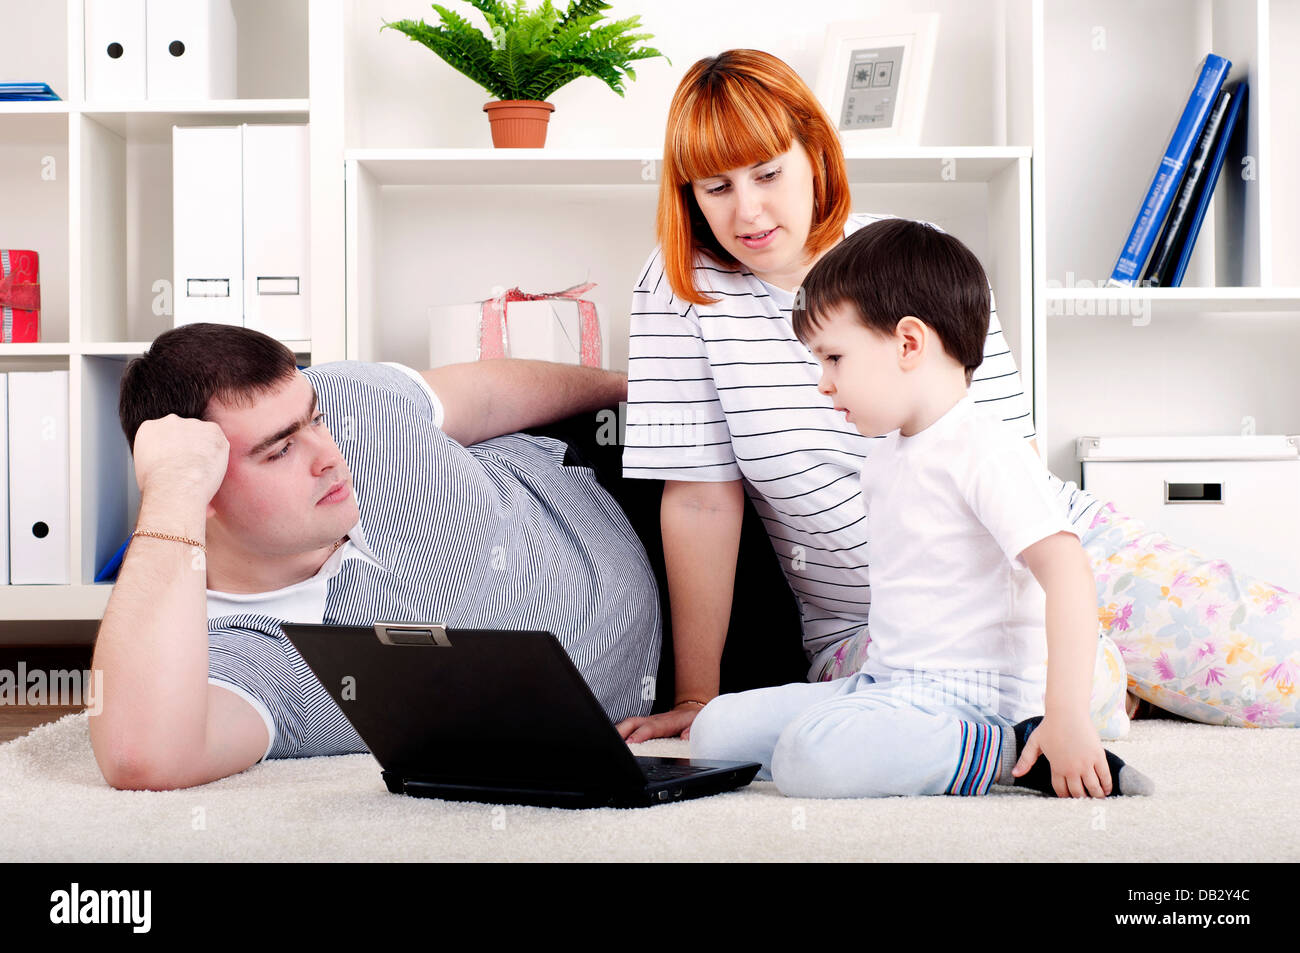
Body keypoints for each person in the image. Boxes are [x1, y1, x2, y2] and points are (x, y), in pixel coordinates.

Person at [616, 48, 1300, 744]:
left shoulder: (915, 258)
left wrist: (1040, 617)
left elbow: (1007, 459)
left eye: (767, 173)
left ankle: (1125, 677)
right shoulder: (679, 290)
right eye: (716, 187)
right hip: (879, 632)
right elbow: (702, 498)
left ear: (813, 155)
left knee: (1275, 664)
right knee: (1047, 705)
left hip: (1042, 553)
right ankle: (1117, 686)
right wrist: (697, 695)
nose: (748, 210)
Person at [91, 322, 666, 791]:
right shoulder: (244, 657)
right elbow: (141, 758)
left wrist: (633, 386)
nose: (328, 454)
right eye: (282, 449)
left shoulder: (342, 404)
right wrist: (169, 495)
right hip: (677, 681)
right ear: (202, 487)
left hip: (624, 476)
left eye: (313, 418)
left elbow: (489, 397)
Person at [690, 217, 1153, 798]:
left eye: (833, 358)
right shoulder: (885, 453)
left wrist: (1066, 717)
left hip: (979, 696)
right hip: (887, 682)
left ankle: (1013, 748)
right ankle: (895, 739)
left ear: (908, 343)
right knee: (714, 733)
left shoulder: (983, 446)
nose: (822, 383)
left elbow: (1067, 572)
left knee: (812, 759)